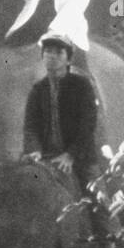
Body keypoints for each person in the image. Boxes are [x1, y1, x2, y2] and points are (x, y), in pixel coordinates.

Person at [23, 32, 102, 194]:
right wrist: (35, 150)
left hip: (79, 158)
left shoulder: (82, 85)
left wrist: (70, 155)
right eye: (48, 51)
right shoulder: (38, 89)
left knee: (100, 205)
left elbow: (88, 125)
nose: (52, 56)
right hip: (46, 157)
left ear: (69, 58)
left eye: (59, 52)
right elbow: (30, 126)